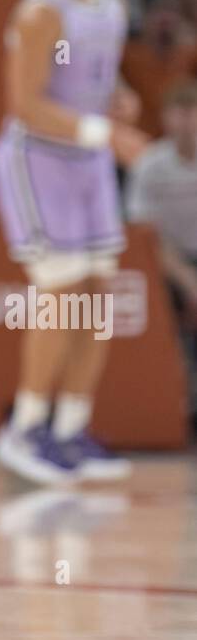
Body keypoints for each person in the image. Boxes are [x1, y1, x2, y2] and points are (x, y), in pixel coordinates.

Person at [0, 0, 150, 487]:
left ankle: (70, 428)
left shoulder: (112, 6)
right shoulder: (42, 12)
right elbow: (24, 104)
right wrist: (105, 132)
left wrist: (121, 99)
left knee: (98, 295)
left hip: (90, 162)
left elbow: (95, 78)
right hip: (40, 162)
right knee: (59, 296)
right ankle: (25, 428)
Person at [126, 80, 197, 415]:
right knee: (154, 302)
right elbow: (145, 234)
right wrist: (188, 281)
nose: (186, 122)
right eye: (178, 113)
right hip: (166, 261)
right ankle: (172, 398)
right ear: (166, 117)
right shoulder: (149, 165)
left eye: (192, 112)